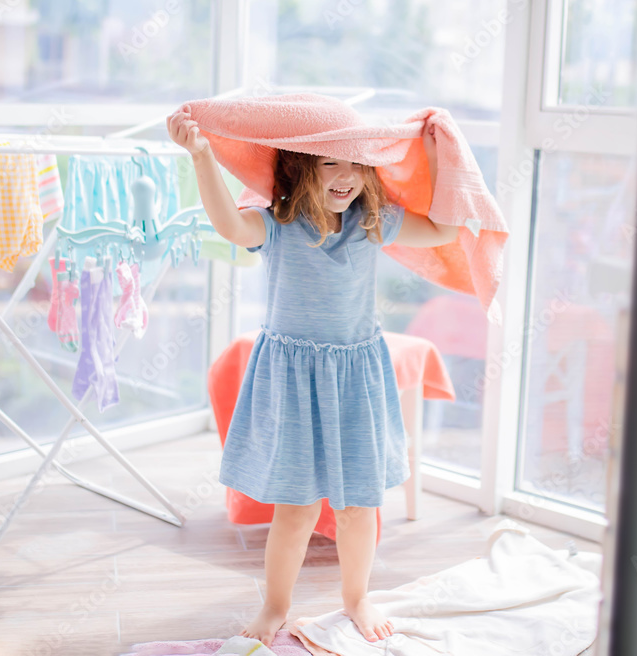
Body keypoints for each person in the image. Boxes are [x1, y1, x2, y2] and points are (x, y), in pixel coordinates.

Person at [167, 104, 458, 646]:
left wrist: (438, 158)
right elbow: (228, 224)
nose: (344, 178)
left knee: (357, 507)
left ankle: (357, 598)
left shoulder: (375, 223)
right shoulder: (277, 224)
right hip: (295, 380)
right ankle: (276, 605)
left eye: (354, 166)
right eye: (328, 165)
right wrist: (202, 156)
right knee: (296, 509)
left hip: (355, 380)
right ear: (301, 169)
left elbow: (444, 228)